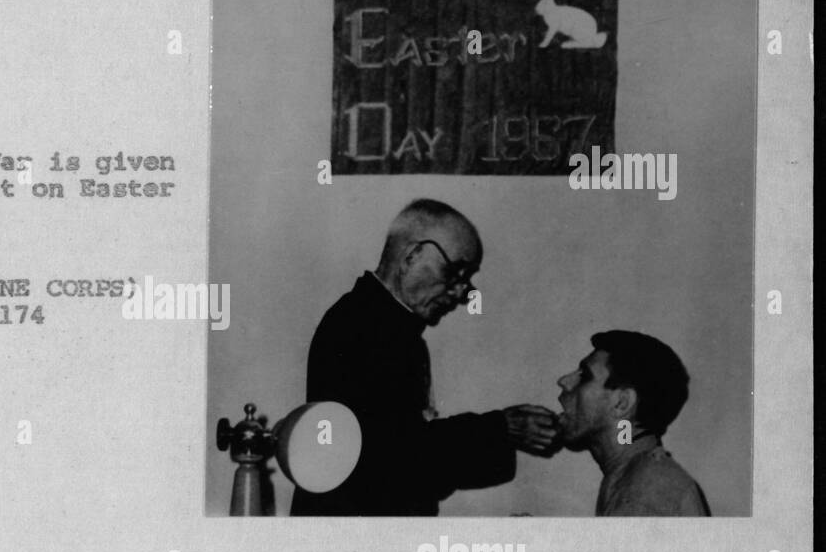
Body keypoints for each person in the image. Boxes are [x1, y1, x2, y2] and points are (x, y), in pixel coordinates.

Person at [290, 198, 559, 516]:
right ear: (411, 256)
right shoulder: (361, 327)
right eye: (454, 271)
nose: (460, 292)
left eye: (465, 278)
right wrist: (500, 428)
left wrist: (498, 430)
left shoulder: (383, 326)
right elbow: (389, 457)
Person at [556, 330, 710, 516]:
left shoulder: (646, 492)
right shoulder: (635, 475)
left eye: (584, 376)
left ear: (622, 403)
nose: (564, 381)